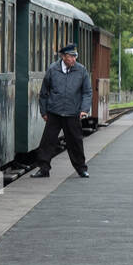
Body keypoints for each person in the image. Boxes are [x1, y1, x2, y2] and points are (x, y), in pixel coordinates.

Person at [31, 43, 92, 178]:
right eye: (71, 56)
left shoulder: (81, 70)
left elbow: (87, 92)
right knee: (47, 142)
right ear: (63, 57)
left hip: (72, 113)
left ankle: (81, 168)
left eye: (75, 56)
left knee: (76, 142)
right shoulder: (53, 69)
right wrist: (44, 111)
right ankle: (43, 169)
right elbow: (44, 92)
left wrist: (84, 109)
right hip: (54, 112)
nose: (74, 59)